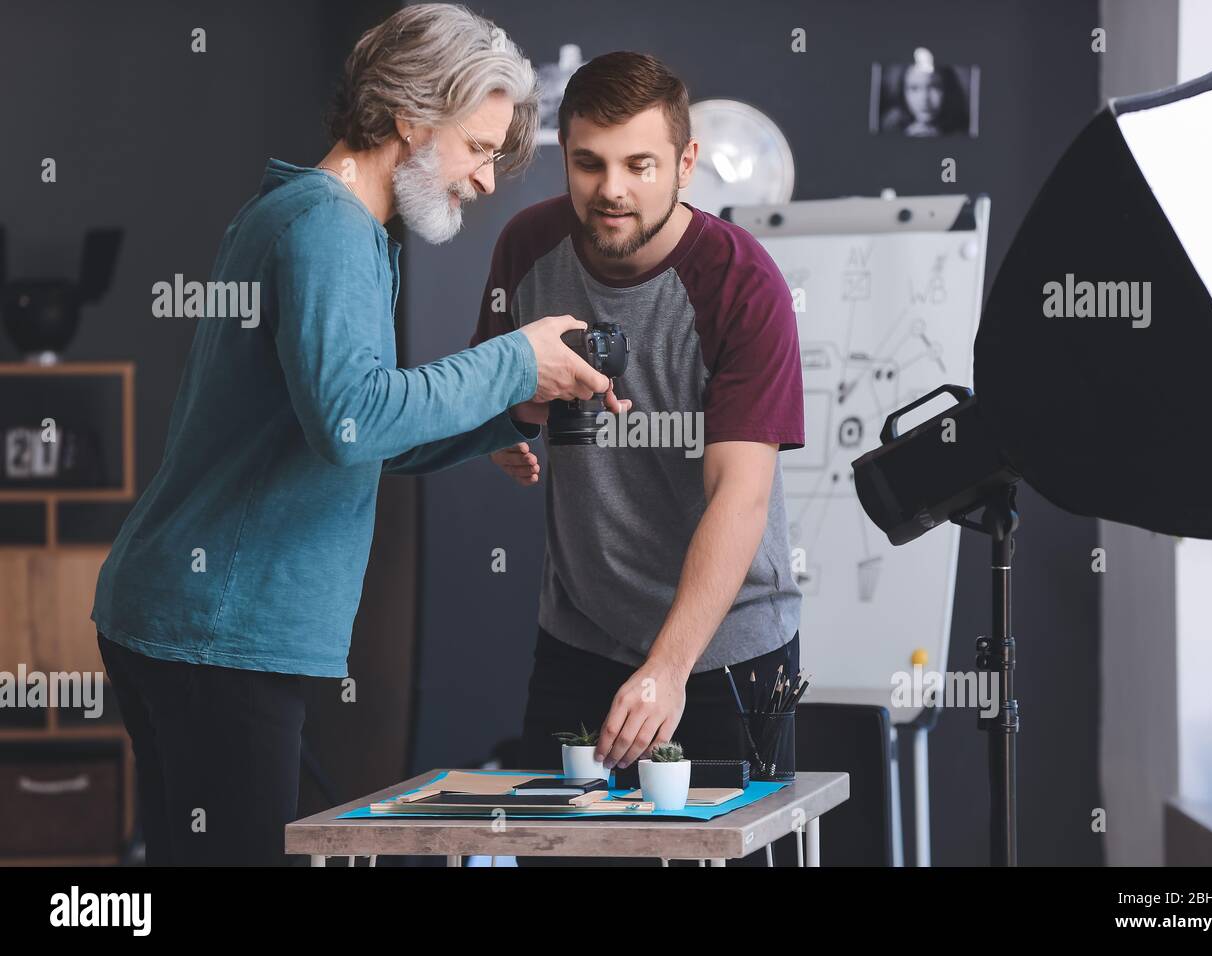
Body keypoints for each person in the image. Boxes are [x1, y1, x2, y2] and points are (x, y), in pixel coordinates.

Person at [91, 3, 621, 866]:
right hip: (221, 634)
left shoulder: (333, 223)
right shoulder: (330, 227)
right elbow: (353, 420)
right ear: (413, 116)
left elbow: (346, 421)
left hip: (201, 628)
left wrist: (500, 415)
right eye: (479, 149)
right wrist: (515, 363)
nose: (488, 180)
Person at [471, 52, 805, 864]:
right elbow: (489, 389)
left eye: (639, 164)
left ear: (687, 164)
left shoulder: (742, 284)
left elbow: (741, 496)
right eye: (588, 163)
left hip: (725, 652)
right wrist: (508, 430)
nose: (610, 188)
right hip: (578, 633)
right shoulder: (527, 248)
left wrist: (668, 668)